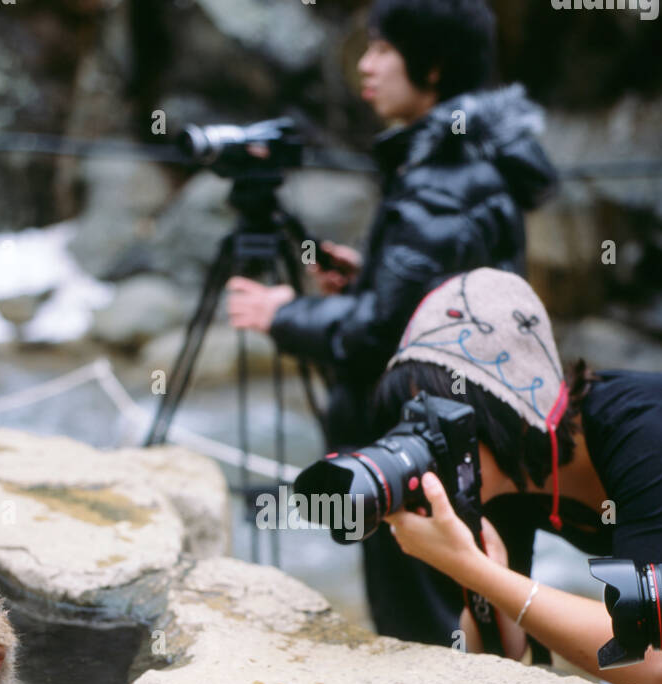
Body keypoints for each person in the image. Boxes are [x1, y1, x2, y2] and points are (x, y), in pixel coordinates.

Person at [381, 268, 662, 684]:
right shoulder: (507, 468)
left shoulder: (646, 434)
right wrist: (480, 575)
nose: (430, 442)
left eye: (443, 423)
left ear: (506, 409)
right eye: (416, 422)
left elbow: (650, 660)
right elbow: (504, 653)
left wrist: (471, 568)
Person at [225, 0, 558, 450]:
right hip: (452, 436)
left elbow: (383, 333)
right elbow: (434, 299)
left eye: (382, 50)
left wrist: (282, 314)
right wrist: (370, 280)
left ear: (433, 65)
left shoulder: (444, 180)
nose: (365, 66)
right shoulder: (468, 160)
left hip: (413, 448)